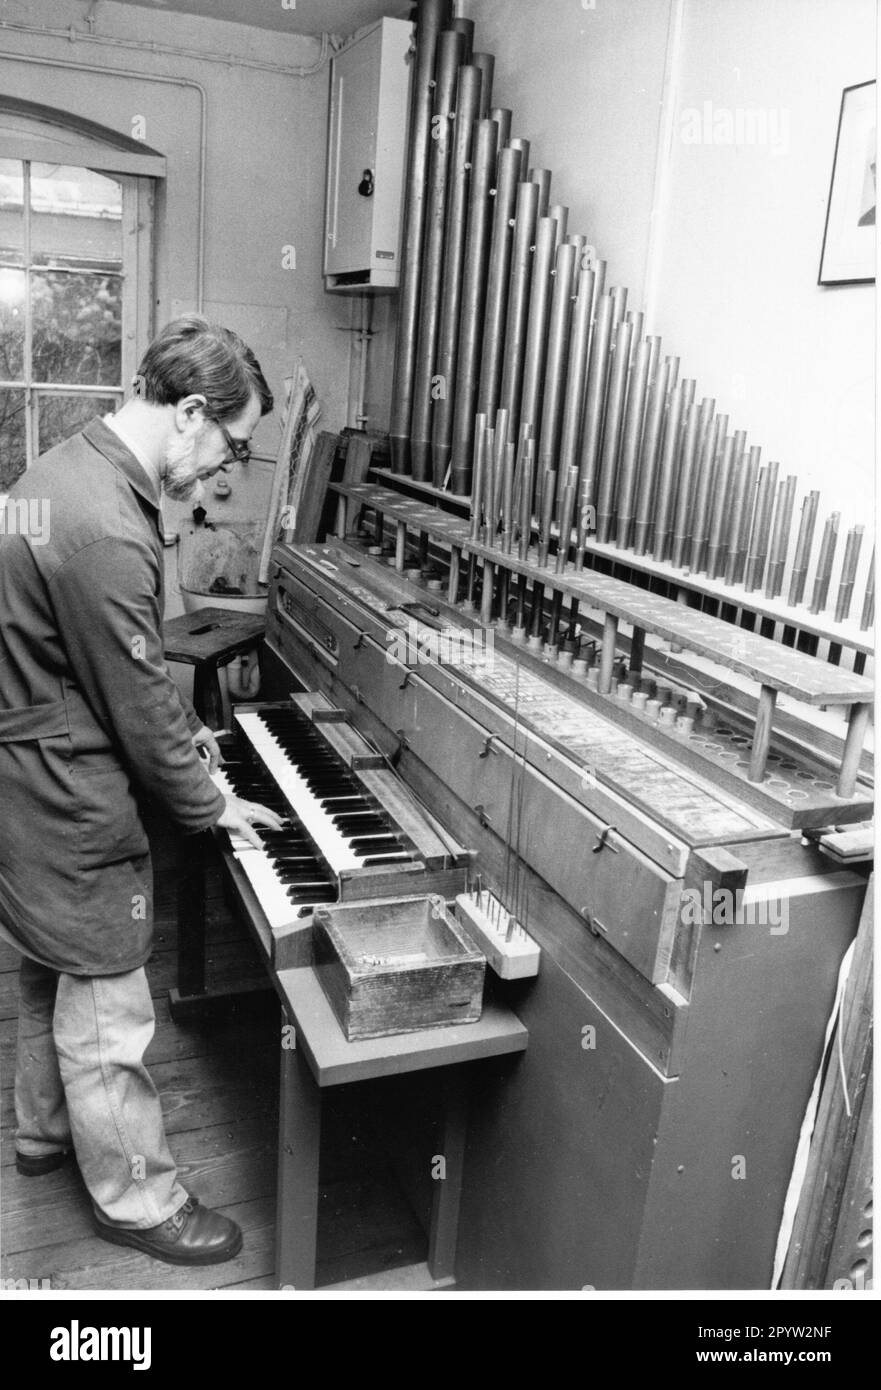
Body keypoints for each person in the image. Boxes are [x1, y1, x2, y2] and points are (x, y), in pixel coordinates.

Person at [0, 315, 284, 1266]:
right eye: (231, 448)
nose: (228, 475)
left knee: (53, 964)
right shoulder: (107, 526)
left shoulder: (70, 464)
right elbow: (129, 687)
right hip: (67, 794)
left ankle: (43, 1136)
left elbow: (107, 666)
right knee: (110, 1006)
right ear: (191, 411)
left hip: (27, 770)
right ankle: (137, 1199)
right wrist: (210, 802)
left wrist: (174, 726)